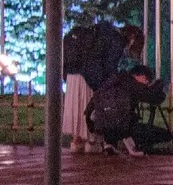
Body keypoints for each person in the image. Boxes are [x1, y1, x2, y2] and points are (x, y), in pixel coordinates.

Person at [61, 21, 142, 153]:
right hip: (88, 75)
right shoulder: (116, 40)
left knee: (77, 105)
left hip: (73, 73)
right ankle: (91, 141)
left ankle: (76, 140)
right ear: (132, 38)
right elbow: (109, 67)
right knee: (88, 106)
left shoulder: (101, 33)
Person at [86, 63, 170, 156]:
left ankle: (110, 144)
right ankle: (133, 146)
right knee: (162, 134)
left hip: (97, 124)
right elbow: (153, 97)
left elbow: (90, 108)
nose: (146, 83)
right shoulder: (133, 84)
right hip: (121, 126)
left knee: (111, 115)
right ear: (140, 76)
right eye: (147, 80)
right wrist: (159, 86)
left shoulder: (110, 81)